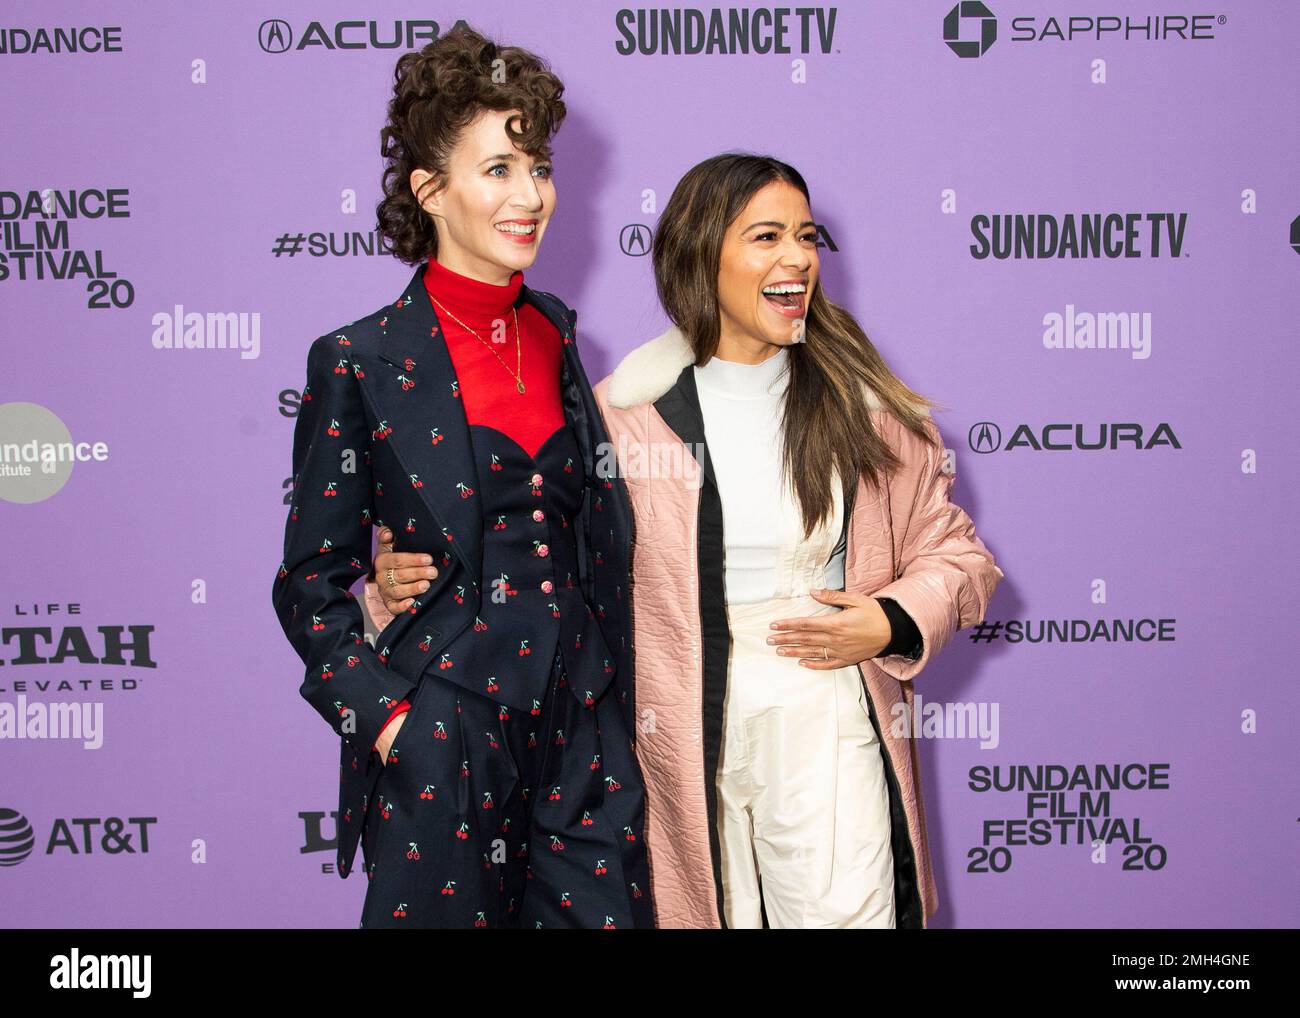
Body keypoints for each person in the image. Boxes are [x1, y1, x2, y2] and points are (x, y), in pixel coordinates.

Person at [370, 154, 1004, 928]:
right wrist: (404, 578)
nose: (796, 258)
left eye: (806, 236)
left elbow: (959, 556)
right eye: (766, 236)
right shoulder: (621, 415)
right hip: (676, 735)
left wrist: (892, 619)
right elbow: (527, 549)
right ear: (701, 256)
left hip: (828, 717)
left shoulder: (867, 410)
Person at [272, 24, 650, 929]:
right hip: (446, 729)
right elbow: (309, 583)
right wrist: (390, 720)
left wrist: (613, 703)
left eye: (539, 167)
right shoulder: (358, 359)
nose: (531, 197)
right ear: (431, 191)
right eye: (499, 171)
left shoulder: (555, 329)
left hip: (581, 727)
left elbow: (589, 533)